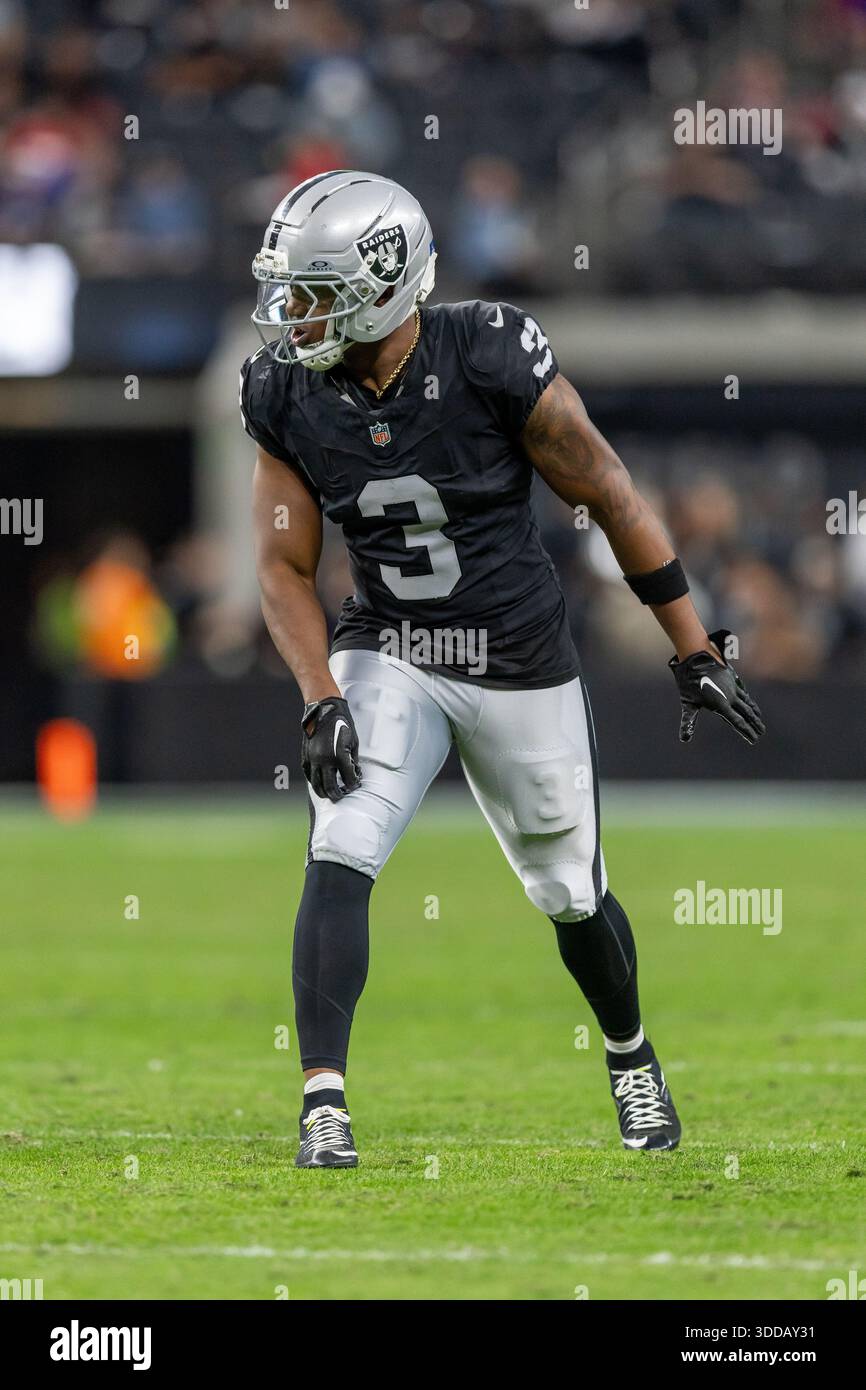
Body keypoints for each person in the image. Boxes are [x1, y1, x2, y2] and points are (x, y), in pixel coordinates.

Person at [240, 171, 765, 1168]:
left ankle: (628, 1055)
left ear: (379, 285)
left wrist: (691, 645)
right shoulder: (282, 388)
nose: (291, 314)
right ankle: (323, 1100)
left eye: (312, 291)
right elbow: (281, 562)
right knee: (341, 841)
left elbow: (607, 488)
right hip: (388, 642)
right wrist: (319, 696)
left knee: (569, 890)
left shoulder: (483, 351)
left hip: (514, 656)